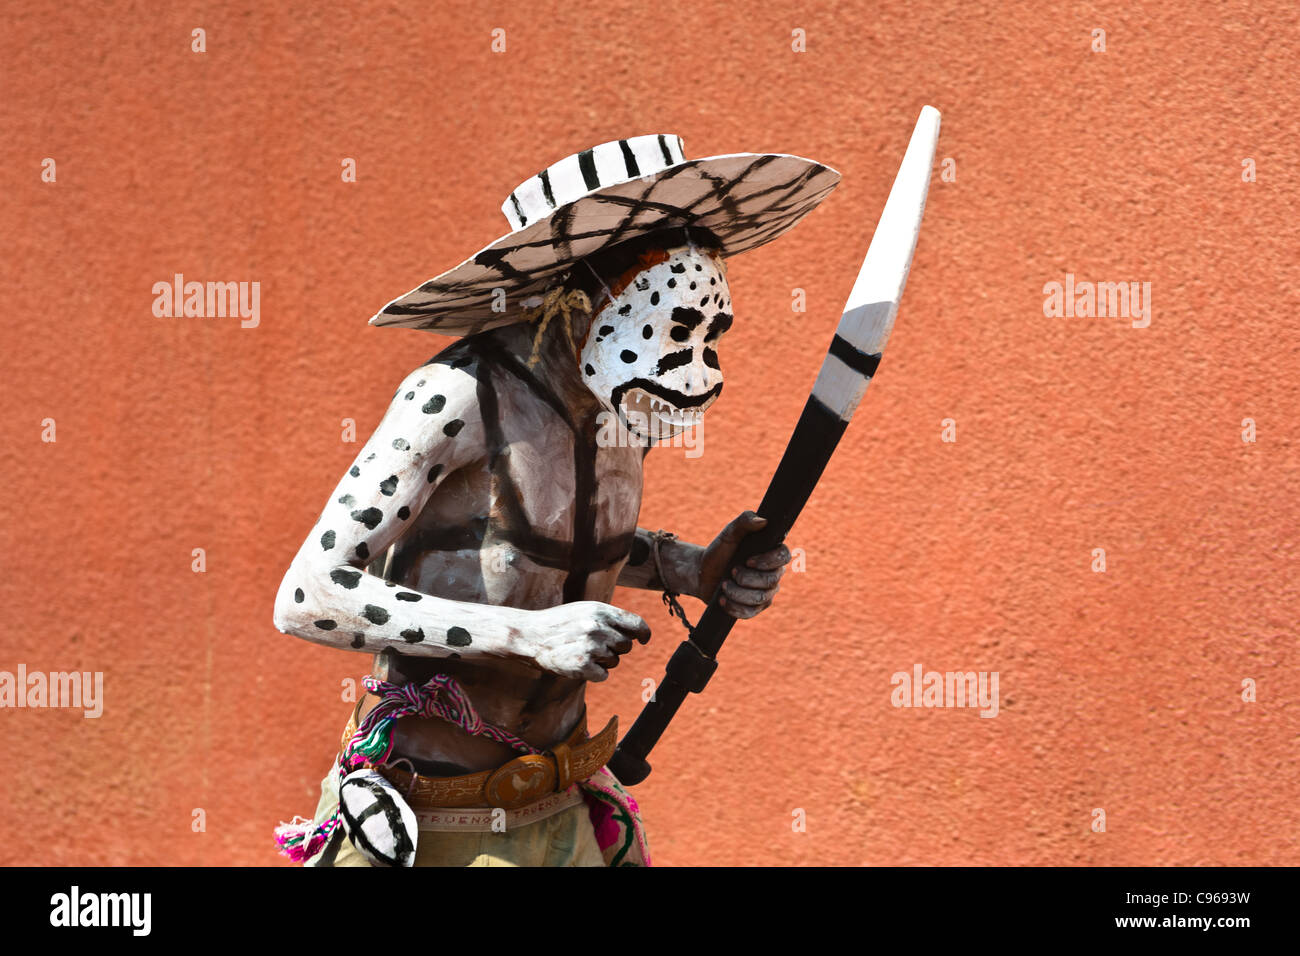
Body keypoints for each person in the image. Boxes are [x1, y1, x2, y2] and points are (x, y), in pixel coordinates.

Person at [272, 134, 840, 866]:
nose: (702, 372)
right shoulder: (457, 395)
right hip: (431, 815)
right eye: (675, 328)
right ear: (581, 302)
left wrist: (692, 569)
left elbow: (536, 541)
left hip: (566, 804)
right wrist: (525, 635)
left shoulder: (623, 402)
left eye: (711, 334)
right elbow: (308, 595)